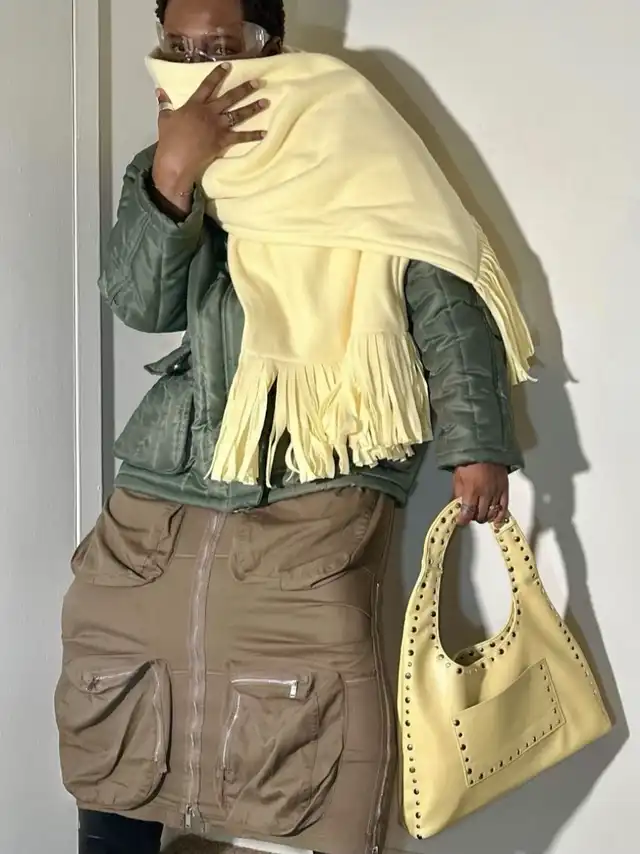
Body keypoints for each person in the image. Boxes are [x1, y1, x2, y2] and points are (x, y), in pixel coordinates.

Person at [56, 1, 527, 853]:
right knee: (116, 685)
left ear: (269, 45)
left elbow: (443, 296)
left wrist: (477, 444)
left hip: (321, 468)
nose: (197, 66)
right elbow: (141, 304)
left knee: (326, 704)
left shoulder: (359, 145)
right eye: (177, 47)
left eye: (220, 47)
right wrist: (173, 173)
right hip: (172, 478)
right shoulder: (165, 165)